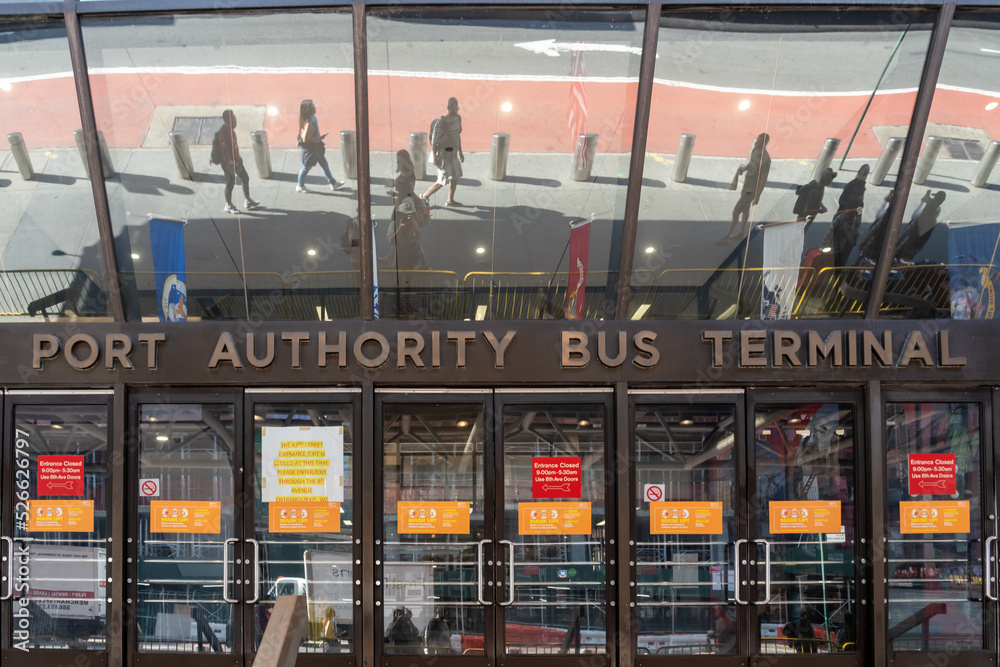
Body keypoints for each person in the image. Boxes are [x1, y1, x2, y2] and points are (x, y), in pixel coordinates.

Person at [723, 132, 771, 241]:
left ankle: (729, 233)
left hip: (752, 190)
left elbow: (763, 179)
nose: (756, 142)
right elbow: (751, 164)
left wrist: (758, 195)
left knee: (736, 211)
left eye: (758, 140)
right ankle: (741, 232)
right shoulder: (755, 151)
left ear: (763, 143)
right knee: (745, 209)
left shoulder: (766, 159)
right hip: (747, 184)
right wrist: (743, 169)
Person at [821, 164, 870, 267]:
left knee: (834, 241)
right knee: (835, 240)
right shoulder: (855, 186)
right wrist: (855, 214)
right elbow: (855, 204)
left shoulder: (855, 185)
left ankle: (830, 260)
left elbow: (854, 203)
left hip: (845, 217)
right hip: (845, 217)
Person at [422, 97, 464, 207]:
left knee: (454, 177)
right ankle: (424, 196)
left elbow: (457, 136)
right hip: (443, 156)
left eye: (457, 109)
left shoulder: (458, 118)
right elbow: (434, 142)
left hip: (454, 154)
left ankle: (450, 201)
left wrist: (460, 151)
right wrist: (436, 159)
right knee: (442, 180)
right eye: (453, 109)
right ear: (448, 108)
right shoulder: (440, 124)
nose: (455, 111)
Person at [216, 110, 260, 214]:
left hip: (237, 161)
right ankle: (228, 205)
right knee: (230, 185)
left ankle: (248, 200)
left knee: (245, 178)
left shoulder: (231, 130)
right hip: (229, 165)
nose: (236, 120)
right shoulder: (223, 133)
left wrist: (237, 159)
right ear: (228, 120)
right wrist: (231, 162)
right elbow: (224, 151)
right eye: (234, 119)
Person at [296, 99, 345, 193]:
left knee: (324, 164)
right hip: (311, 149)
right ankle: (299, 185)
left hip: (315, 147)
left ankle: (333, 183)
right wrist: (318, 139)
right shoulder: (309, 122)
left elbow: (303, 134)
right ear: (307, 109)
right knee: (306, 167)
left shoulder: (310, 118)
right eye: (312, 106)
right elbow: (306, 138)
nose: (314, 107)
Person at [894, 189, 946, 262]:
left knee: (898, 250)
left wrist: (922, 203)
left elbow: (914, 215)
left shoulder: (925, 211)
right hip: (915, 246)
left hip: (909, 238)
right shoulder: (936, 214)